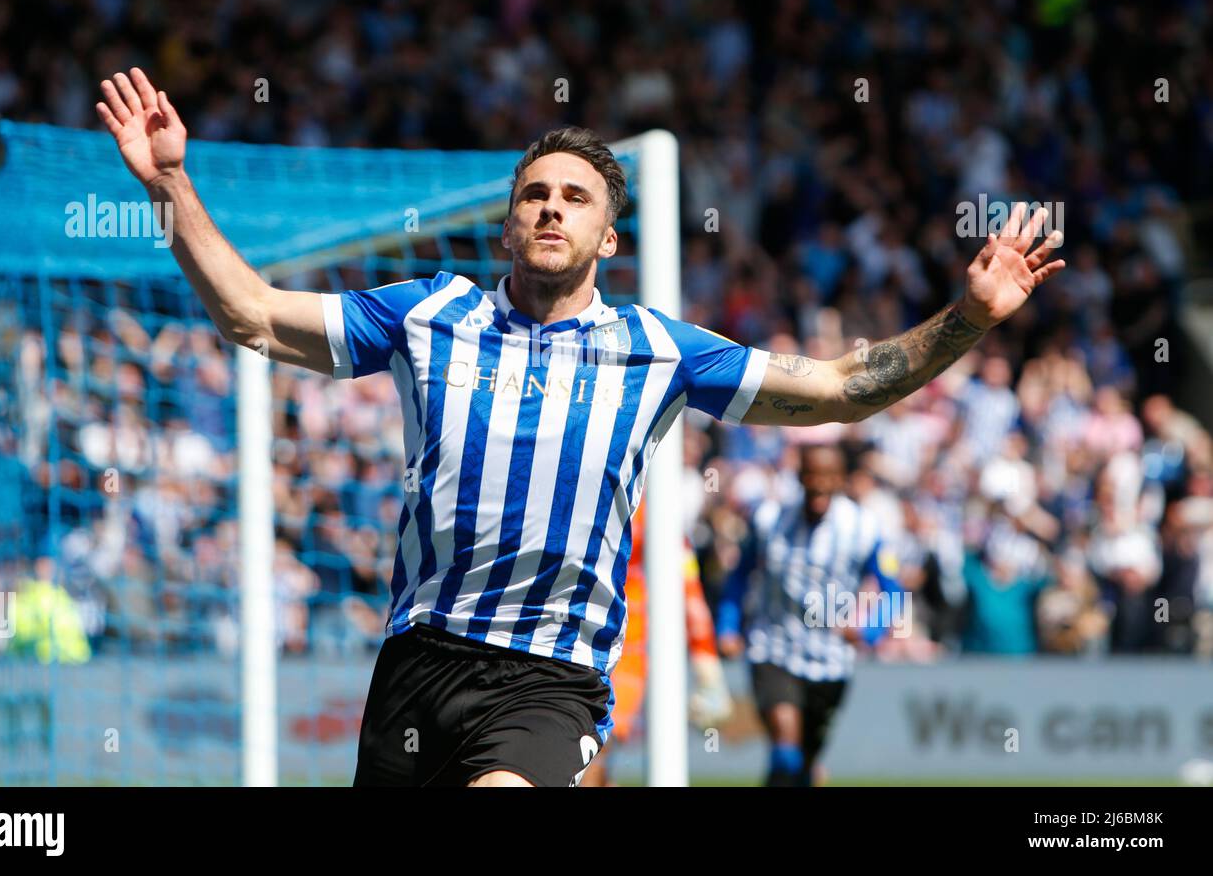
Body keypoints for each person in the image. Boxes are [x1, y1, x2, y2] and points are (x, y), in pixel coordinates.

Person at [96, 66, 1065, 786]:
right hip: (417, 658)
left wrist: (968, 317)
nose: (550, 206)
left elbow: (843, 386)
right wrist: (169, 185)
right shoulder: (429, 314)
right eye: (533, 194)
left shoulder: (659, 349)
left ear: (609, 236)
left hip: (547, 676)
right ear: (508, 224)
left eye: (574, 196)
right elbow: (252, 314)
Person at [717, 444, 902, 786]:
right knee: (786, 749)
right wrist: (728, 626)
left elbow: (894, 591)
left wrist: (868, 632)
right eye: (812, 474)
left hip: (831, 662)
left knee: (802, 766)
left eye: (828, 475)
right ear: (800, 476)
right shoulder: (768, 520)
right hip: (772, 648)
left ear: (841, 480)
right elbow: (739, 576)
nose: (819, 484)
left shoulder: (862, 528)